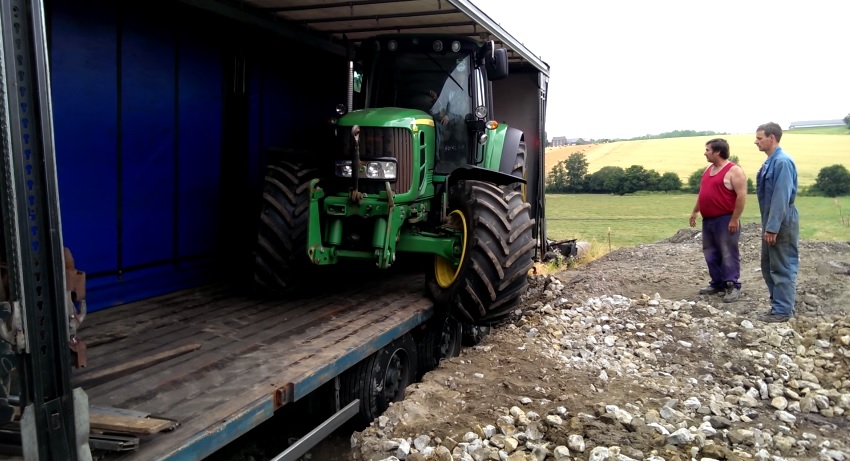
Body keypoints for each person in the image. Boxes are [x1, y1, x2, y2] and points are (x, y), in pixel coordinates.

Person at [689, 138, 748, 302]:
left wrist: (735, 219)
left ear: (717, 152)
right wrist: (695, 211)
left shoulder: (734, 171)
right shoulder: (708, 170)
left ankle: (733, 285)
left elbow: (742, 196)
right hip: (708, 220)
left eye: (707, 150)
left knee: (728, 252)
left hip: (725, 219)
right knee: (710, 252)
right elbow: (703, 193)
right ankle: (717, 283)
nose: (705, 152)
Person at [754, 122, 799, 323]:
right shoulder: (769, 162)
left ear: (772, 138)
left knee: (781, 265)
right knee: (767, 264)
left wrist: (773, 227)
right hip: (771, 219)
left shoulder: (782, 162)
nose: (756, 142)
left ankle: (783, 311)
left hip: (782, 220)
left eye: (760, 138)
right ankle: (777, 305)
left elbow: (781, 197)